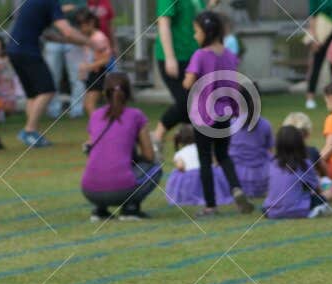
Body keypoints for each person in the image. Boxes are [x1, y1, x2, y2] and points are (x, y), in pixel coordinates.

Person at [183, 9, 252, 214]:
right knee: (223, 155)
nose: (195, 35)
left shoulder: (200, 55)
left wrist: (186, 80)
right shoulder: (230, 55)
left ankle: (210, 205)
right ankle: (236, 188)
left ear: (207, 33)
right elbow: (235, 83)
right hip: (225, 112)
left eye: (196, 31)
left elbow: (188, 82)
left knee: (205, 159)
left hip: (203, 115)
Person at [7, 0, 90, 147]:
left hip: (14, 50)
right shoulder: (51, 2)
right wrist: (91, 42)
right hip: (27, 51)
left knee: (33, 95)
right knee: (47, 90)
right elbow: (68, 31)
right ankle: (29, 131)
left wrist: (70, 40)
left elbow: (48, 33)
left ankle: (32, 135)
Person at [80, 72, 160, 220]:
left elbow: (93, 148)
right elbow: (149, 156)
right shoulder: (136, 115)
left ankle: (100, 210)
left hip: (89, 190)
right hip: (121, 190)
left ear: (105, 93)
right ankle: (130, 209)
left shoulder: (96, 115)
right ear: (129, 92)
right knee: (156, 168)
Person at [151, 0, 198, 147]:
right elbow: (163, 23)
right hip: (175, 57)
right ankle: (157, 137)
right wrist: (170, 57)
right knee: (185, 102)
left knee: (197, 106)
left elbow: (199, 18)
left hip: (196, 57)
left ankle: (189, 143)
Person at [264, 124, 326, 219]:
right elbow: (317, 190)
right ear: (300, 143)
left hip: (272, 211)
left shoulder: (272, 164)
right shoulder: (304, 164)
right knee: (326, 196)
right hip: (298, 209)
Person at [163, 123, 228, 207]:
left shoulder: (180, 153)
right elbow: (214, 162)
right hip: (207, 175)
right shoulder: (204, 149)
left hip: (190, 181)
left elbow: (180, 166)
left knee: (177, 174)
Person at [228, 113, 272, 200]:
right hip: (262, 176)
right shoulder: (265, 124)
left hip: (235, 177)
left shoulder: (231, 123)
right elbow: (270, 149)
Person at [302, 0, 332, 110]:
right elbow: (313, 16)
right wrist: (314, 38)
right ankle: (310, 97)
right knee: (316, 66)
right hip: (320, 36)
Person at [77, 8, 112, 117]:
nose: (81, 29)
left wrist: (88, 66)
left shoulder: (99, 38)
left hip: (98, 74)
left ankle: (97, 125)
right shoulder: (89, 37)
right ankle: (99, 123)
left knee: (90, 104)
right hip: (92, 74)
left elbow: (106, 59)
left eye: (83, 26)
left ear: (91, 23)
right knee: (87, 104)